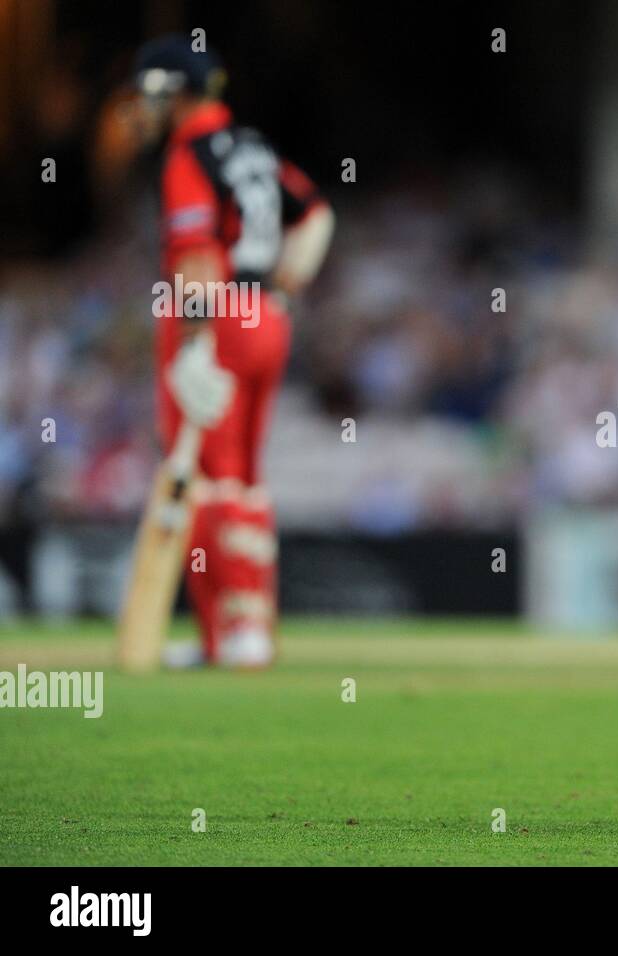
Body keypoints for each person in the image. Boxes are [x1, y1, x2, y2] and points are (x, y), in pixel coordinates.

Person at [132, 35, 335, 667]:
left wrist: (194, 343)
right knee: (244, 476)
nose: (143, 109)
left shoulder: (189, 155)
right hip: (265, 316)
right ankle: (242, 631)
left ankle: (236, 630)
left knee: (208, 476)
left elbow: (195, 260)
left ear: (173, 91)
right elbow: (317, 216)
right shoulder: (252, 146)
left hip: (215, 318)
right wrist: (282, 287)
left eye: (149, 95)